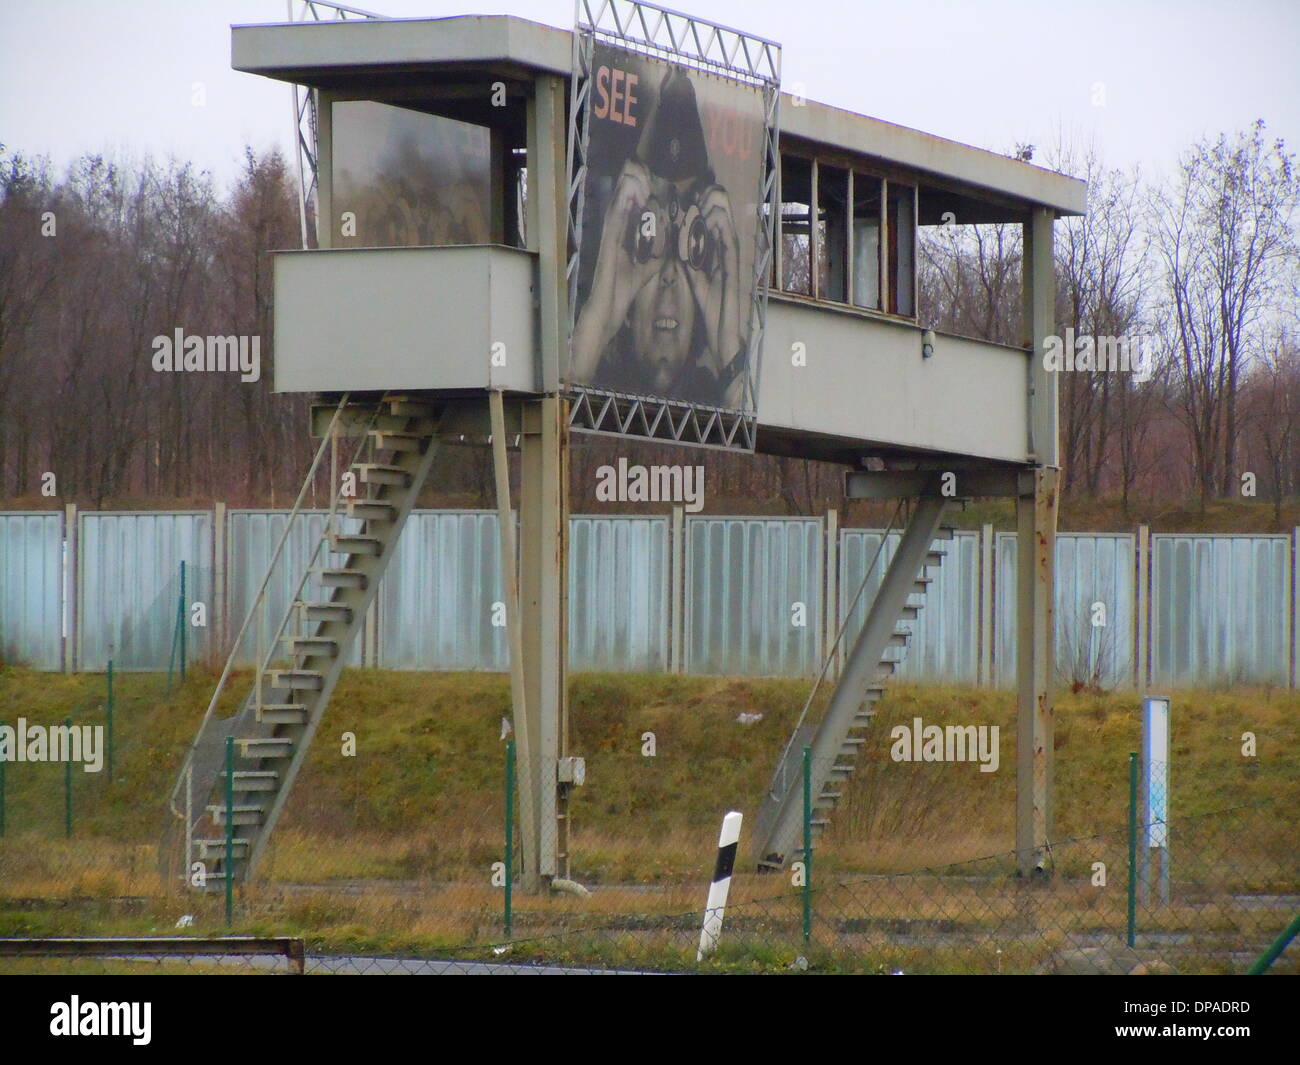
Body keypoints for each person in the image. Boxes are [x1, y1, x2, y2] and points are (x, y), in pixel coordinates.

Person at [572, 68, 748, 409]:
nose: (668, 275)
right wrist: (599, 319)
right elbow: (550, 417)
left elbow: (758, 442)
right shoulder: (592, 366)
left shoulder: (718, 402)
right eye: (649, 235)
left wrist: (728, 348)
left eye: (690, 247)